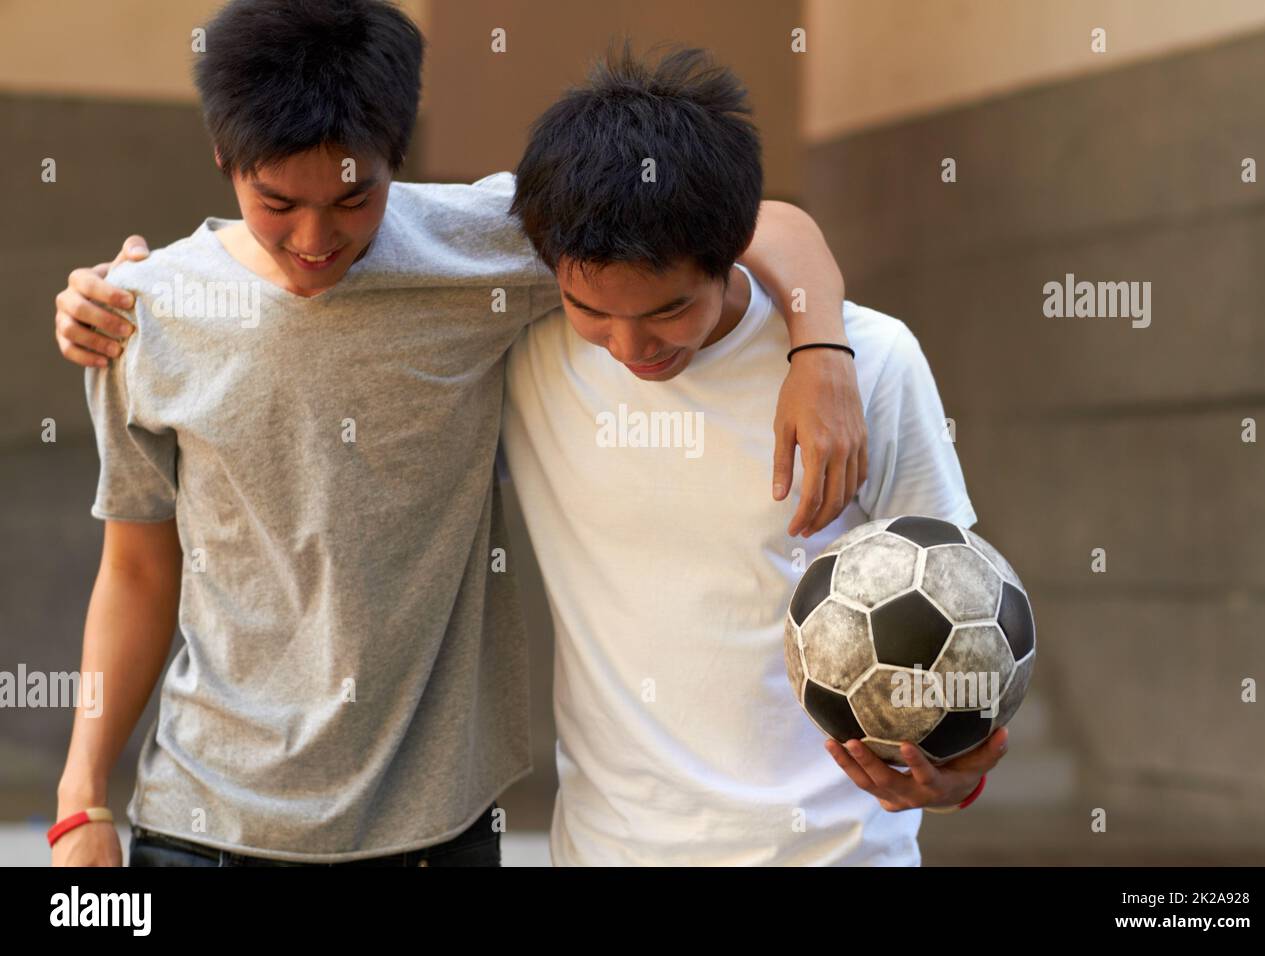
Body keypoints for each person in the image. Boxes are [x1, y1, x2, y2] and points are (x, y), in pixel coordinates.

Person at [46, 2, 867, 866]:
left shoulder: (481, 247)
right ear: (224, 159)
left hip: (437, 833)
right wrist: (80, 801)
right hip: (203, 824)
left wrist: (820, 348)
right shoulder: (143, 314)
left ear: (398, 159)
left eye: (354, 198)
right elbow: (136, 569)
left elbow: (752, 221)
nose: (316, 238)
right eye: (277, 202)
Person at [496, 44, 1009, 864]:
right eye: (590, 310)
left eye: (667, 311)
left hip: (838, 852)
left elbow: (955, 609)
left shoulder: (872, 359)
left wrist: (954, 775)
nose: (629, 346)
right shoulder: (529, 353)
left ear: (732, 250)